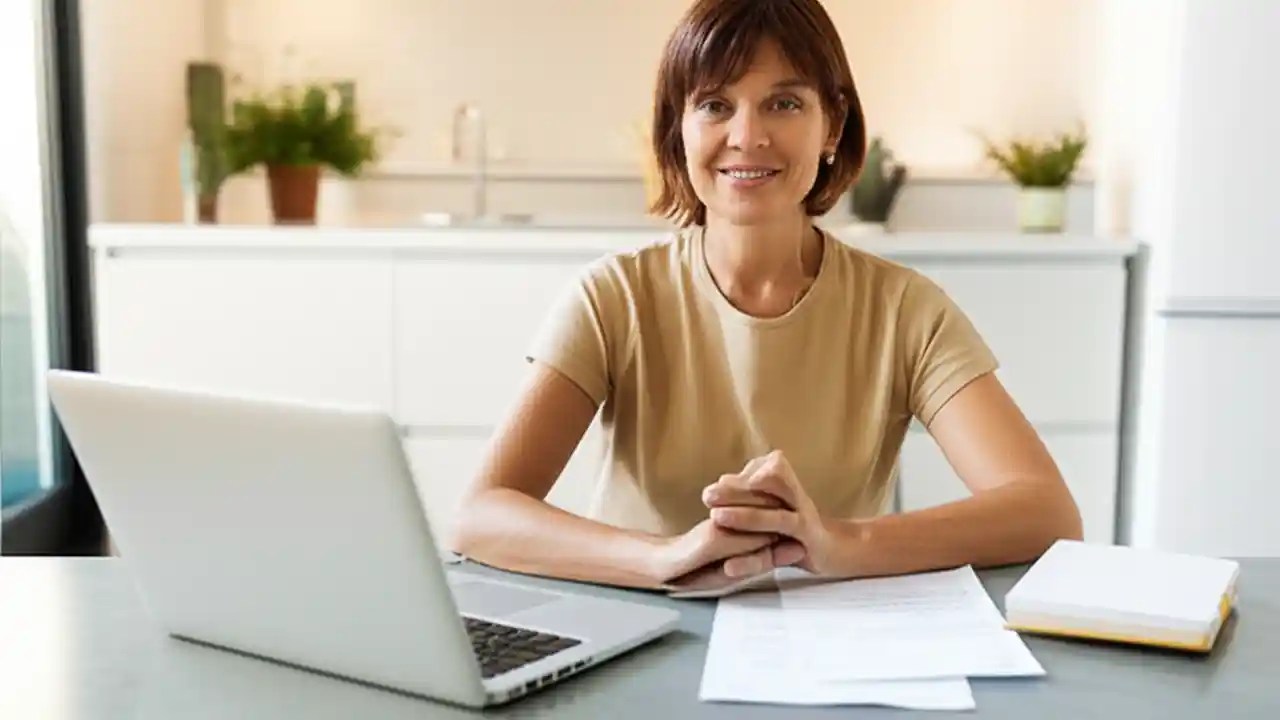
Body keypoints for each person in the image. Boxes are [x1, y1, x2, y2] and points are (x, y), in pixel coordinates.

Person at [453, 0, 1082, 592]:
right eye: (715, 105)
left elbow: (1045, 510)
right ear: (677, 129)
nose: (747, 135)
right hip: (640, 623)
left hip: (823, 633)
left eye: (783, 103)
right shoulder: (613, 297)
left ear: (832, 125)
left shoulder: (905, 311)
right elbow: (481, 514)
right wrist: (664, 557)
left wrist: (838, 543)